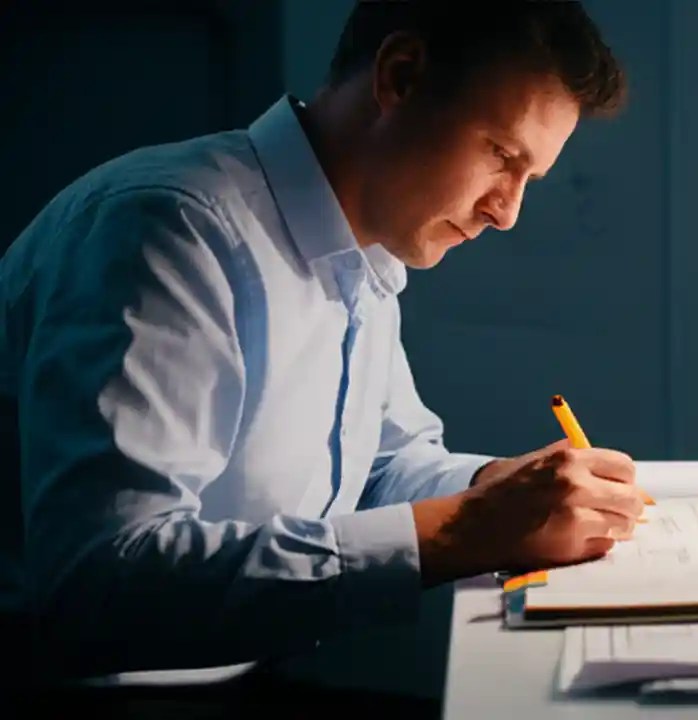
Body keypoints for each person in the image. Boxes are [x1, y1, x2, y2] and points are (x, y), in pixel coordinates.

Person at [0, 0, 643, 680]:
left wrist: (507, 489)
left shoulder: (364, 254)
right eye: (499, 155)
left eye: (528, 179)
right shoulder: (170, 232)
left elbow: (378, 468)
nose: (506, 211)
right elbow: (101, 586)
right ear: (400, 76)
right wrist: (469, 529)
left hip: (238, 677)